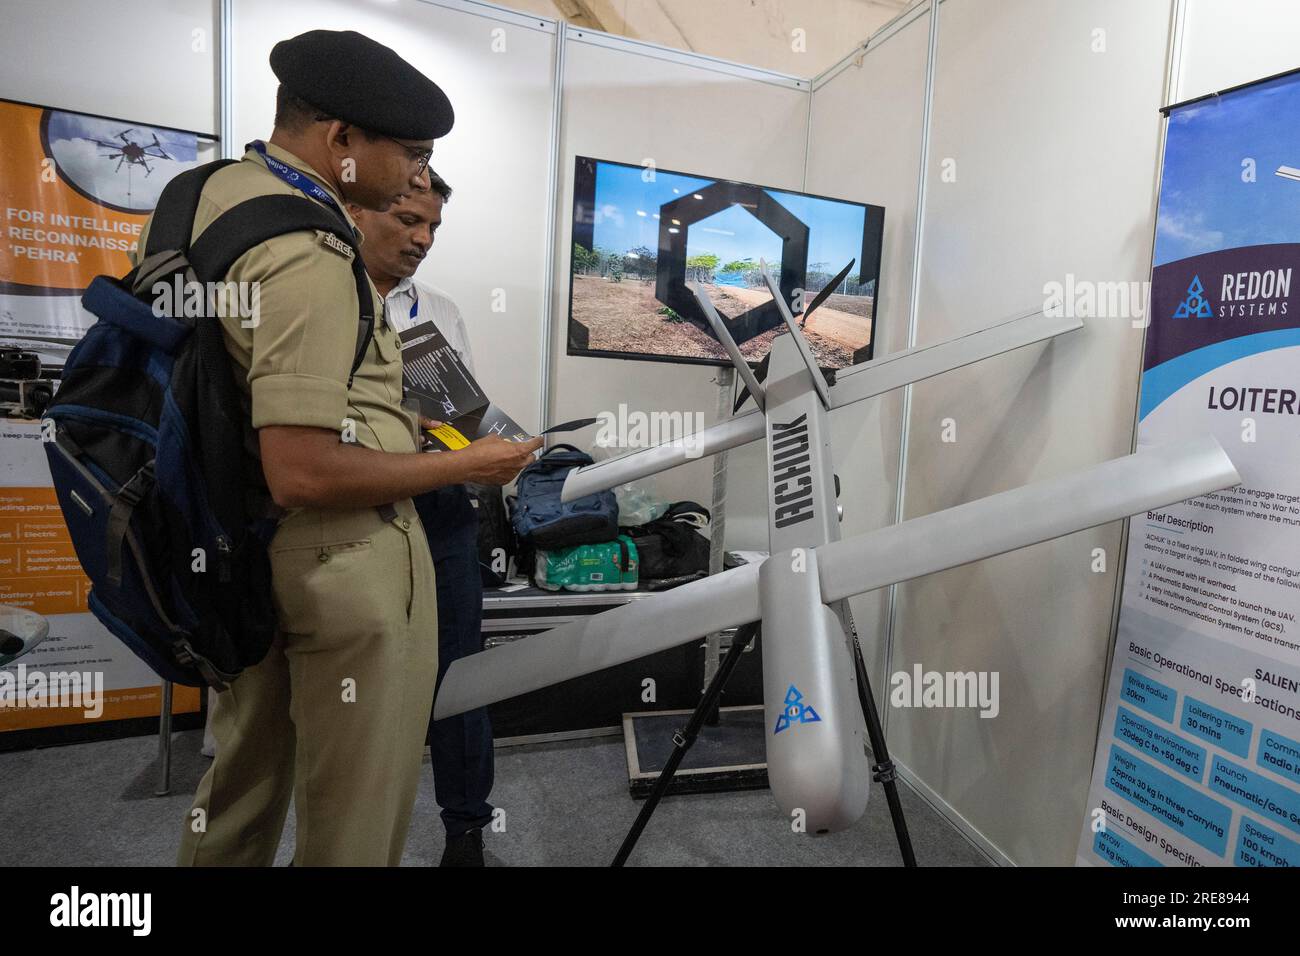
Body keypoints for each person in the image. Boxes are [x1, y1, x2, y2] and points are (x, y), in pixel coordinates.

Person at [133, 29, 541, 866]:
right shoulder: (312, 252)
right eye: (413, 157)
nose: (419, 179)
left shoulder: (201, 196)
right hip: (339, 567)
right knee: (356, 808)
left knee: (241, 787)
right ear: (342, 142)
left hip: (228, 540)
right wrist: (472, 463)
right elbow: (305, 468)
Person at [349, 172, 496, 867]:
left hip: (438, 506)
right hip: (348, 507)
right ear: (356, 208)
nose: (422, 239)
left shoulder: (437, 309)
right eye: (409, 220)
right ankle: (347, 839)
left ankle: (465, 829)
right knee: (351, 681)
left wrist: (490, 449)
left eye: (433, 227)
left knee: (459, 674)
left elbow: (461, 421)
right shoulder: (318, 297)